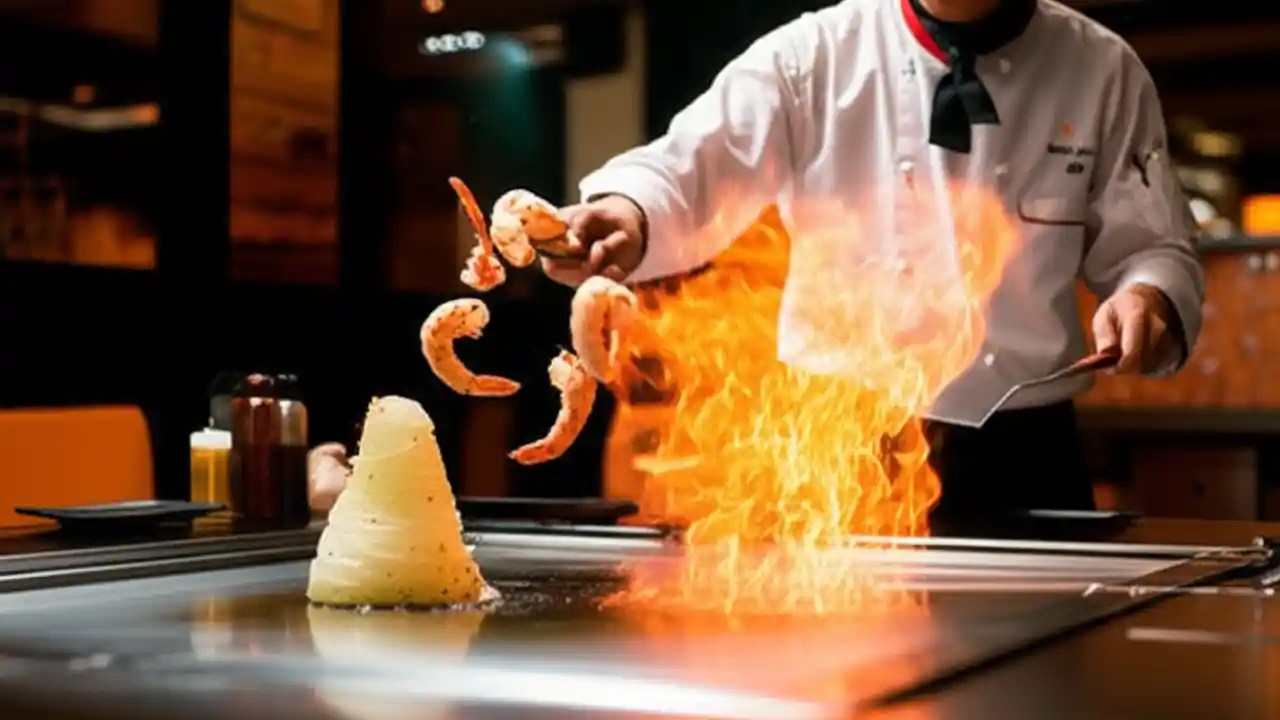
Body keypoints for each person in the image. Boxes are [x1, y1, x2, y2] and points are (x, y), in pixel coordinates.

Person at [540, 0, 1204, 523]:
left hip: (1023, 450)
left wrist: (1147, 294)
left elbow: (1153, 247)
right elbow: (686, 172)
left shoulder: (1102, 69)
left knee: (1044, 685)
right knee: (840, 682)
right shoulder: (814, 57)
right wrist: (628, 209)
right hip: (835, 448)